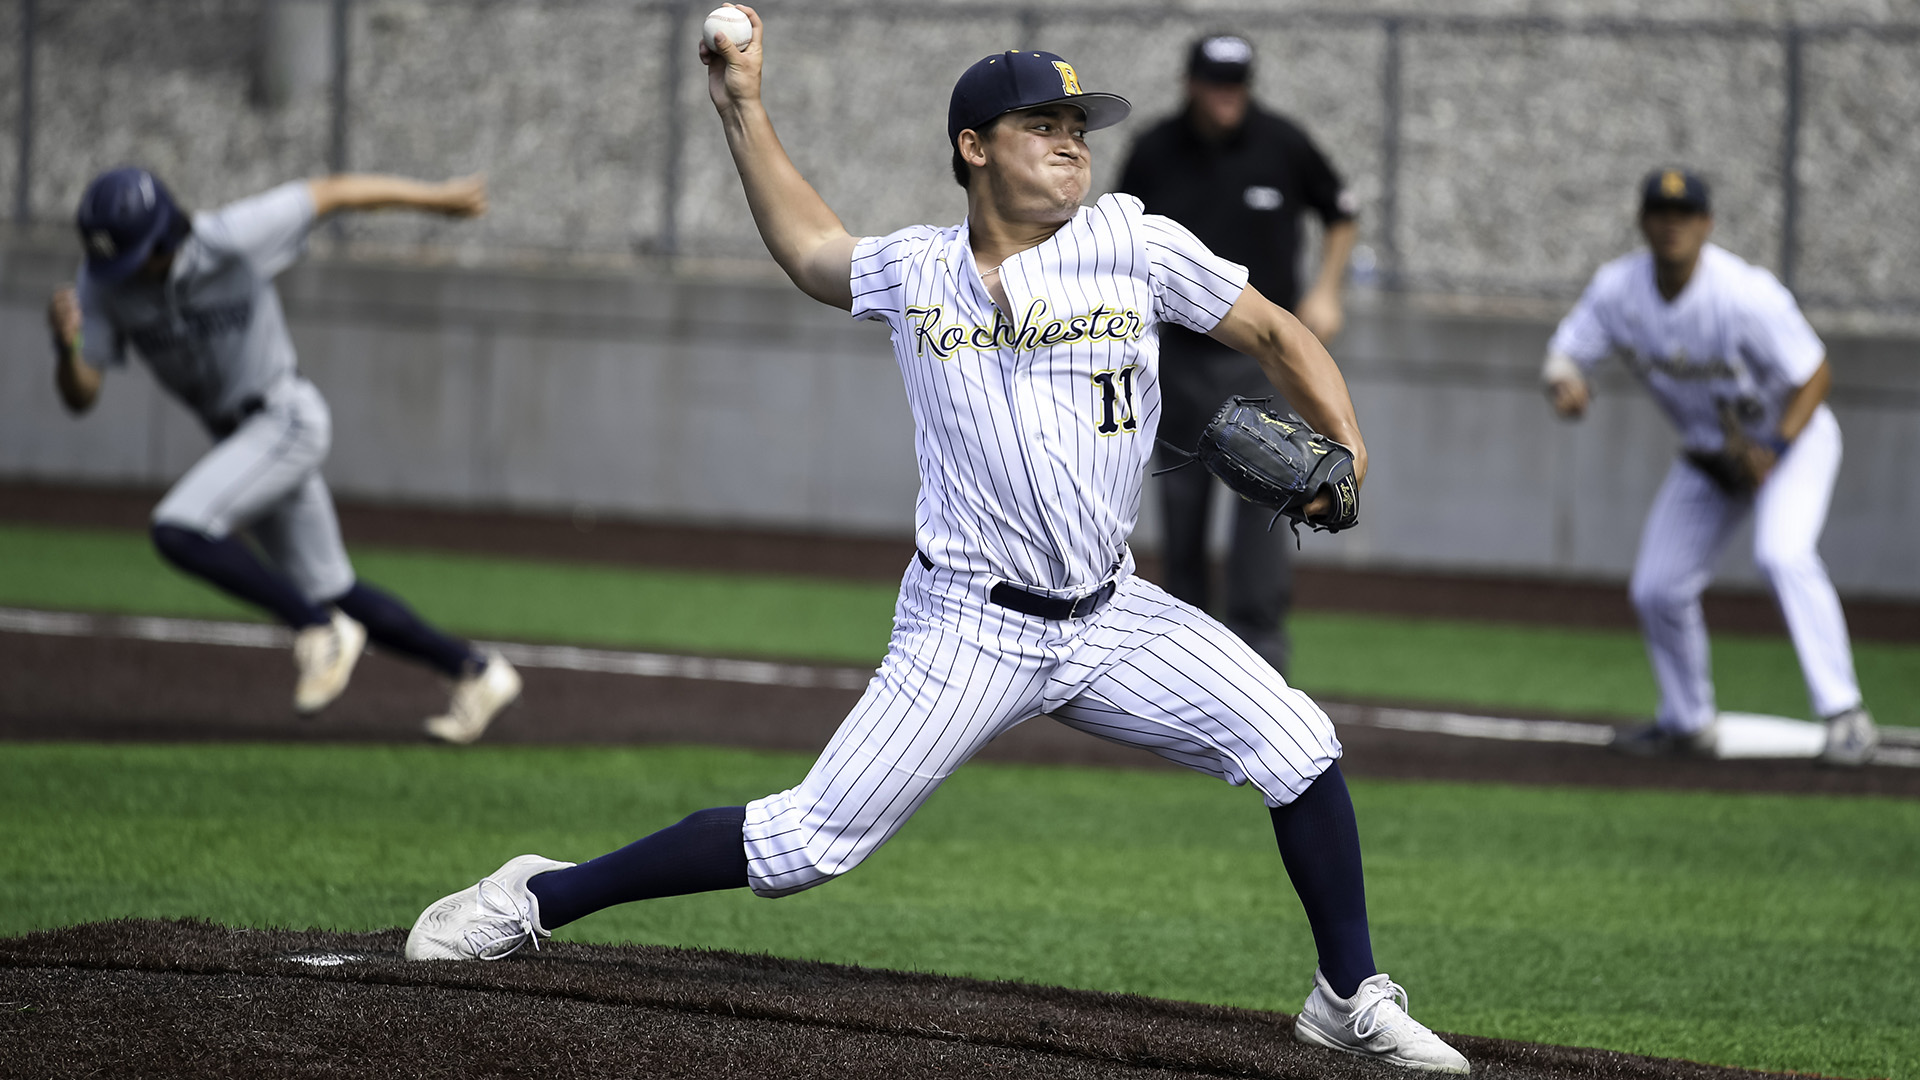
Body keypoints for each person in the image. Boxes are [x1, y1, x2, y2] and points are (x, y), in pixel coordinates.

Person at [405, 10, 1467, 1072]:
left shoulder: (1131, 241)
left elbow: (1277, 330)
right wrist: (742, 107)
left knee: (1297, 742)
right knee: (802, 844)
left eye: (1079, 126)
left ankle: (1347, 993)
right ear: (973, 147)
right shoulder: (918, 271)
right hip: (967, 626)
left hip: (1111, 614)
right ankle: (538, 892)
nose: (1072, 143)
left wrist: (1350, 448)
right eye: (1042, 124)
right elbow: (813, 249)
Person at [47, 167, 522, 745]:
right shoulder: (103, 283)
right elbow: (81, 395)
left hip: (286, 415)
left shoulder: (227, 237)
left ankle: (317, 630)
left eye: (137, 254)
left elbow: (333, 191)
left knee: (179, 529)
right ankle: (476, 672)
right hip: (243, 440)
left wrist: (436, 200)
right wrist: (66, 346)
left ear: (169, 231)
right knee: (338, 590)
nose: (127, 270)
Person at [1543, 168, 1877, 766]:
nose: (1673, 225)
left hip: (1792, 444)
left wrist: (1773, 448)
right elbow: (1568, 353)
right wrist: (1565, 383)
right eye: (1661, 213)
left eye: (1685, 214)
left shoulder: (1743, 294)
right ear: (1643, 221)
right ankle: (1687, 721)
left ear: (1707, 224)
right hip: (1710, 456)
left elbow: (1815, 373)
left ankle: (1846, 715)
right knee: (1657, 587)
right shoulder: (1619, 290)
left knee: (1782, 552)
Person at [1115, 33, 1358, 675]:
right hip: (1180, 359)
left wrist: (1327, 291)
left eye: (1238, 83)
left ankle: (1260, 649)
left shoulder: (1282, 143)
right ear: (1191, 82)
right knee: (1182, 506)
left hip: (1258, 357)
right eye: (1216, 82)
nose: (1228, 96)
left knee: (1270, 496)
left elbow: (1342, 211)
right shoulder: (1154, 151)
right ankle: (1181, 653)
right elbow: (1121, 246)